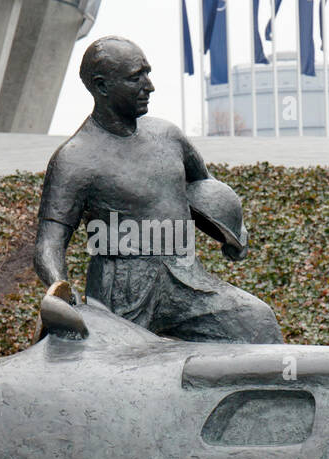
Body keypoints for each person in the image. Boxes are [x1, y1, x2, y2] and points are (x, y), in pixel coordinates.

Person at [33, 36, 282, 344]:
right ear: (102, 86)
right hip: (122, 287)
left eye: (147, 73)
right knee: (124, 369)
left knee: (255, 321)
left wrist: (232, 229)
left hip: (186, 274)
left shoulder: (168, 137)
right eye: (136, 77)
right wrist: (60, 289)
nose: (149, 86)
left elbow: (203, 186)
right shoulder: (74, 159)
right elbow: (50, 242)